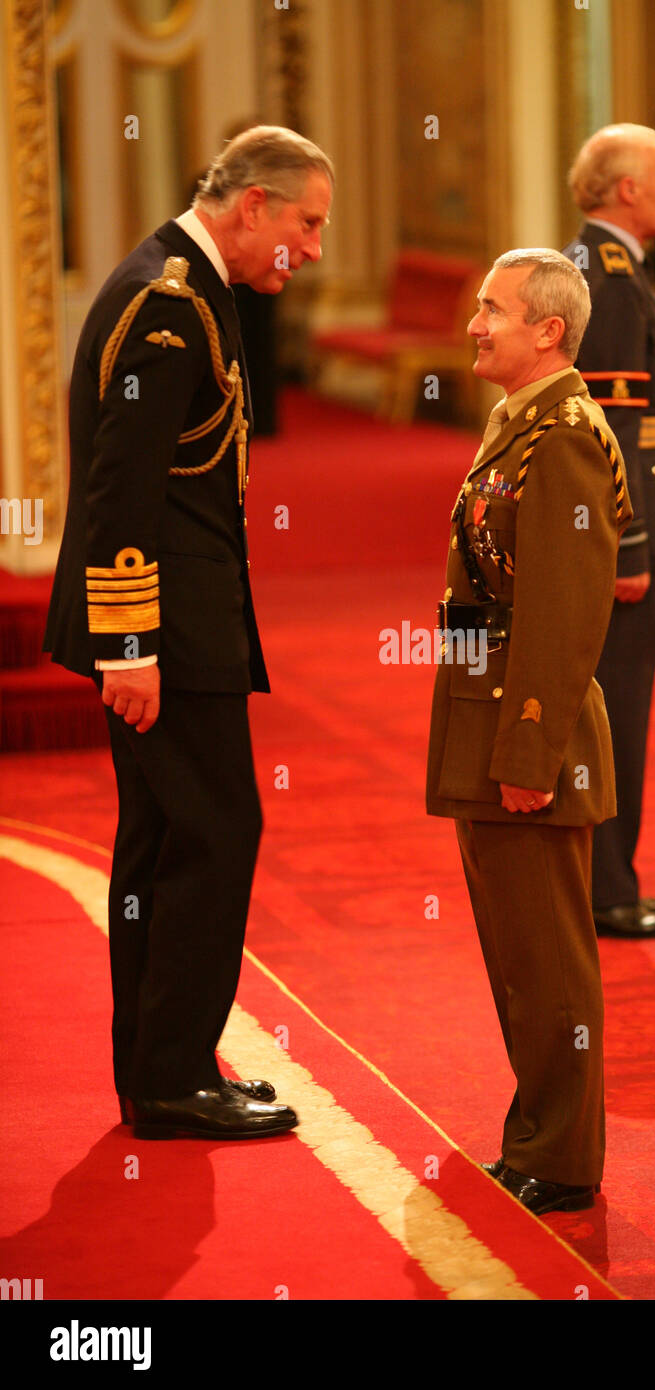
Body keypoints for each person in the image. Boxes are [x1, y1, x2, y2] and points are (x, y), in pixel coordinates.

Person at [44, 126, 334, 1139]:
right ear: (251, 204)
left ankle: (162, 1067)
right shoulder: (168, 304)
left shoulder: (187, 288)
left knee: (168, 837)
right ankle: (171, 1077)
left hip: (179, 622)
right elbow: (121, 488)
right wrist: (128, 645)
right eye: (303, 223)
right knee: (214, 834)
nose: (307, 248)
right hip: (162, 627)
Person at [426, 249, 632, 1214]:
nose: (475, 323)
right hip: (489, 711)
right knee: (517, 954)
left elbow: (564, 614)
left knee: (548, 959)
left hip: (528, 730)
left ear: (547, 330)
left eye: (493, 310)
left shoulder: (565, 439)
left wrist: (527, 754)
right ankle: (537, 1138)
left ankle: (562, 1157)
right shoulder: (522, 423)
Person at [563, 123, 655, 941]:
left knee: (611, 708)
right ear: (626, 191)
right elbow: (609, 429)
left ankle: (609, 879)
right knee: (619, 712)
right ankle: (610, 889)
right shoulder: (609, 281)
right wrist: (631, 544)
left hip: (631, 533)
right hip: (627, 543)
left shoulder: (608, 270)